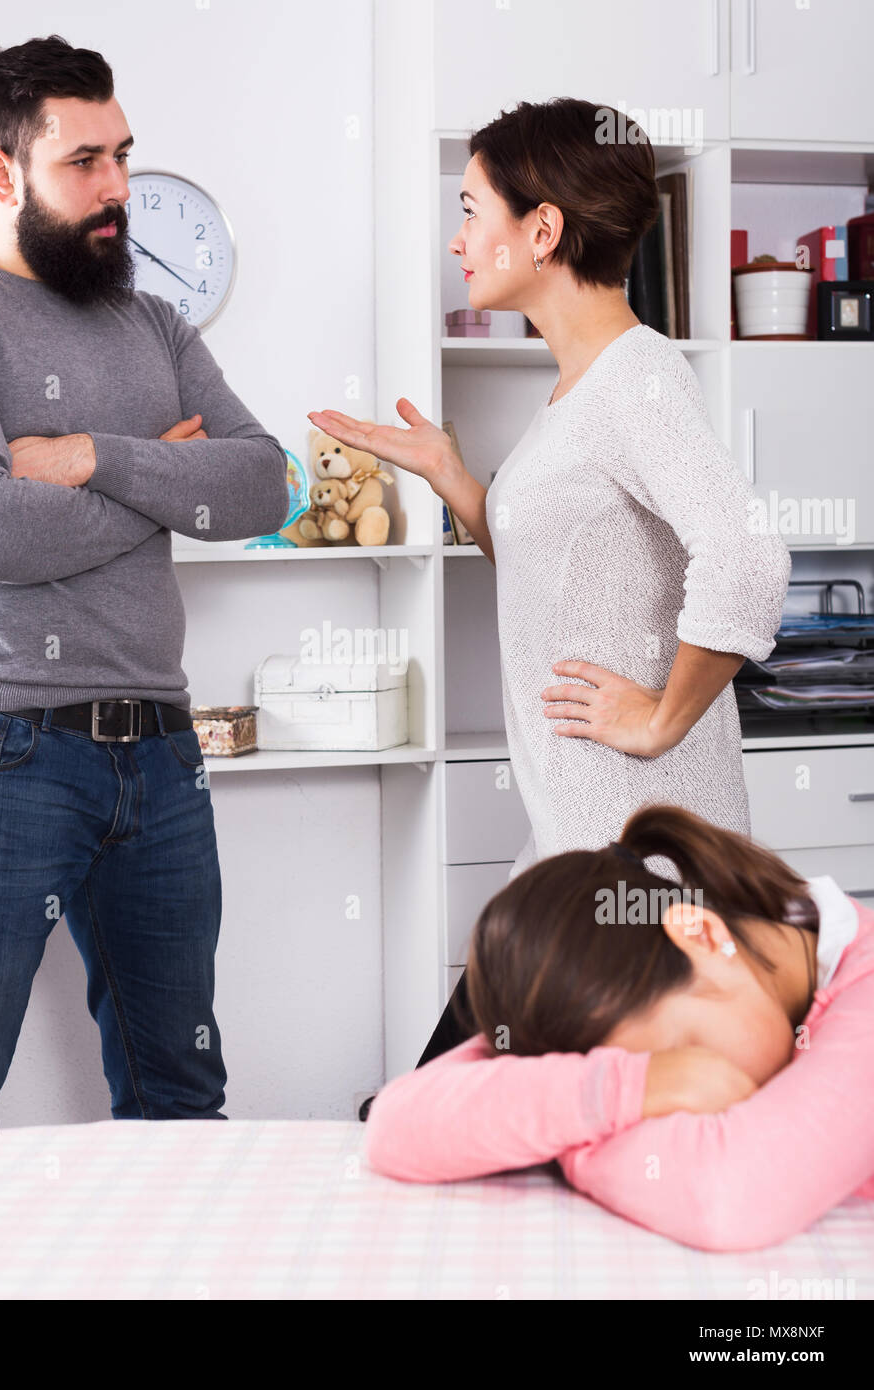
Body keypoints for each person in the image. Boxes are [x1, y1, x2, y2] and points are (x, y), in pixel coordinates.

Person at [308, 97, 791, 1087]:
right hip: (571, 849)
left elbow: (746, 554)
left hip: (639, 865)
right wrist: (455, 480)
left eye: (472, 208)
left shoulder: (637, 379)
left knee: (437, 1119)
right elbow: (558, 575)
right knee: (436, 1115)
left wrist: (658, 719)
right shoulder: (580, 390)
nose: (458, 236)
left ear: (542, 229)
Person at [0, 34, 289, 1137]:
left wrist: (93, 454)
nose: (117, 190)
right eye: (84, 163)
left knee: (182, 1100)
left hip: (158, 751)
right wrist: (165, 472)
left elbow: (260, 487)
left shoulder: (154, 321)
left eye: (123, 156)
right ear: (1, 173)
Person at [362, 803, 874, 1251]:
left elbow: (732, 1195)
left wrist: (561, 1143)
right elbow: (398, 1123)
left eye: (687, 1054)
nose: (686, 1101)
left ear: (701, 935)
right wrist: (625, 1089)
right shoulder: (727, 962)